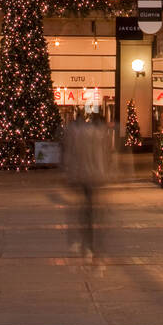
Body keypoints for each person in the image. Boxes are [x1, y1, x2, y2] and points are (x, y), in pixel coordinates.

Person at [62, 109, 111, 261]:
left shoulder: (80, 134)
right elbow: (100, 157)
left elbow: (72, 154)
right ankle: (91, 240)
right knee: (91, 206)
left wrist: (70, 171)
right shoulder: (97, 136)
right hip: (93, 175)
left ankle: (86, 237)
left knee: (85, 206)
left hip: (82, 174)